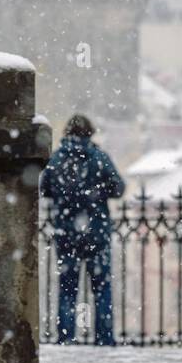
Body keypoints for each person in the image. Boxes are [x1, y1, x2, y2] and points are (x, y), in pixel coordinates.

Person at [41, 114, 126, 345]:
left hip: (66, 231)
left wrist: (66, 198)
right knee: (101, 288)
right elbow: (118, 188)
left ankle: (66, 337)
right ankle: (104, 338)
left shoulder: (57, 159)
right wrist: (97, 192)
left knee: (67, 288)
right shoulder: (99, 157)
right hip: (96, 232)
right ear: (90, 133)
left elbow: (44, 188)